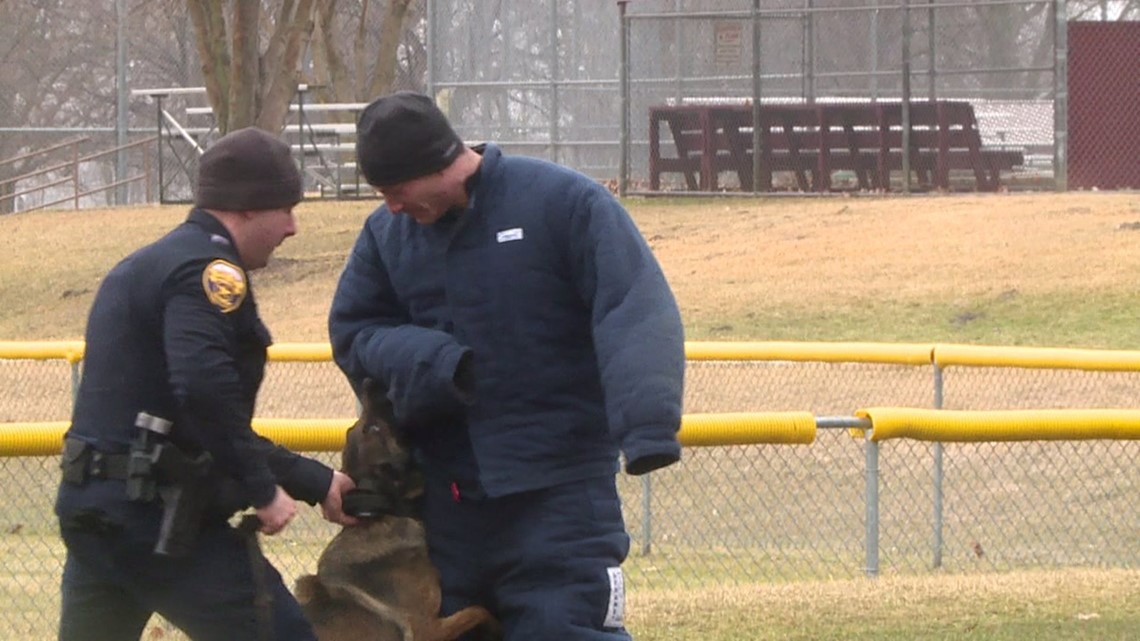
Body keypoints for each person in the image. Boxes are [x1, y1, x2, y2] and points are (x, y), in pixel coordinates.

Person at [328, 91, 686, 641]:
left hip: (562, 495)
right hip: (446, 505)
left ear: (437, 163)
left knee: (565, 629)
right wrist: (434, 362)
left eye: (398, 191)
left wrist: (648, 427)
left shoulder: (562, 203)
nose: (393, 207)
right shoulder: (386, 236)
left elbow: (633, 307)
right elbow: (355, 333)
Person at [55, 127, 357, 641]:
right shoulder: (209, 271)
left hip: (96, 513)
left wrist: (315, 483)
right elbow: (201, 390)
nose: (292, 227)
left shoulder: (145, 264)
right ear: (245, 208)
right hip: (157, 518)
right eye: (284, 208)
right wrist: (264, 491)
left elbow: (182, 421)